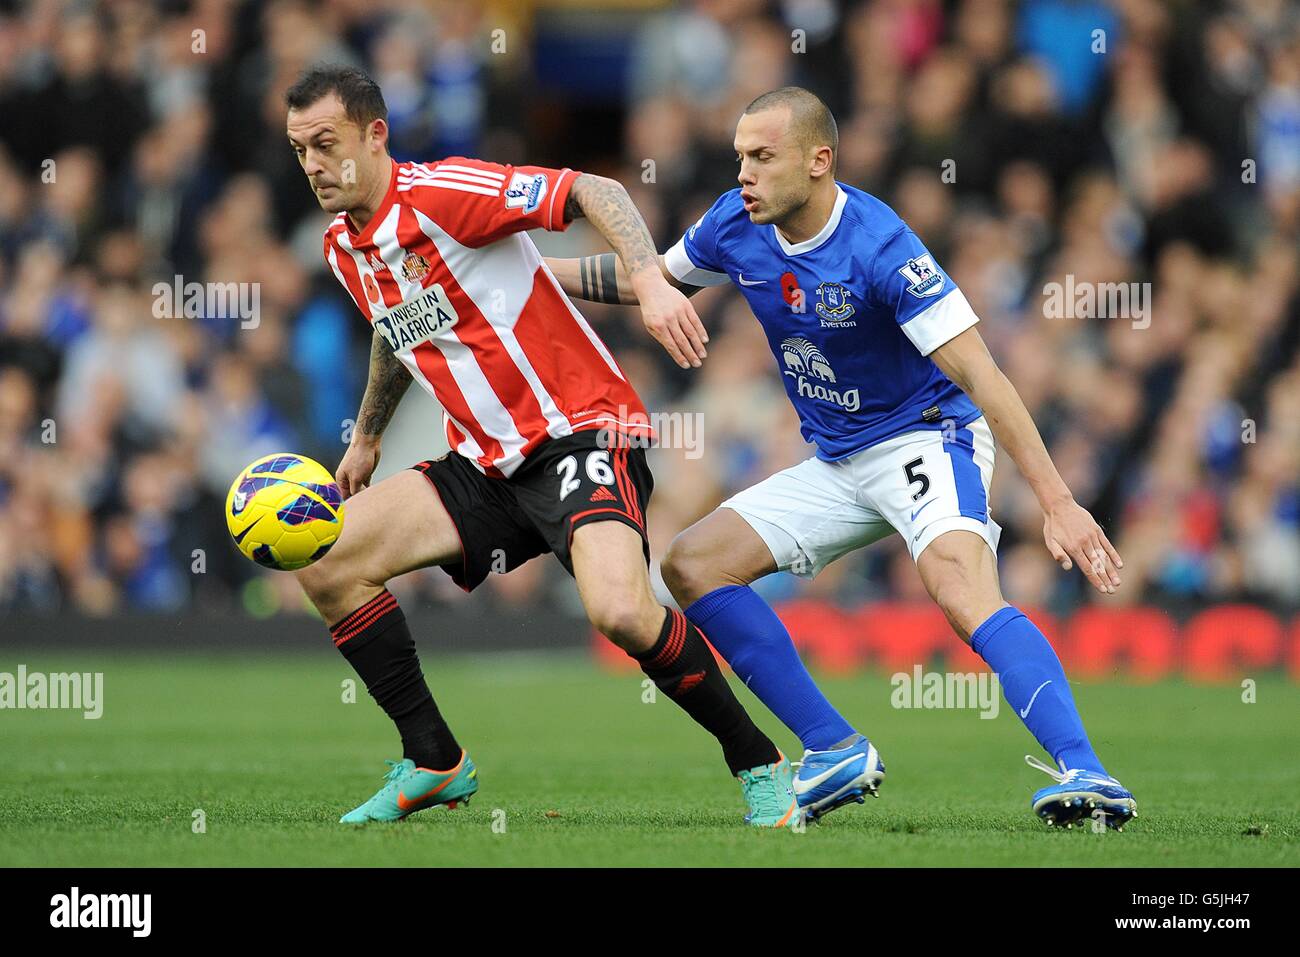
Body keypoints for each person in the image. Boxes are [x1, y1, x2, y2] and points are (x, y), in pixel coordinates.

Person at [546, 87, 1137, 829]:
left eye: (762, 157)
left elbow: (982, 375)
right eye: (739, 157)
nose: (744, 174)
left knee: (959, 587)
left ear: (819, 161)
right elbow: (648, 281)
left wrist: (1056, 500)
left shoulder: (881, 246)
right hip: (838, 457)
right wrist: (535, 270)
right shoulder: (736, 222)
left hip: (926, 434)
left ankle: (1086, 769)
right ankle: (833, 745)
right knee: (692, 562)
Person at [285, 65, 797, 826]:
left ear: (374, 134)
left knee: (621, 610)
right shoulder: (343, 246)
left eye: (326, 144)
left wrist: (652, 281)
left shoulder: (444, 194)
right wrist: (366, 436)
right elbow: (397, 329)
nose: (313, 165)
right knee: (325, 559)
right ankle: (434, 759)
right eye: (299, 150)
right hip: (484, 464)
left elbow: (598, 191)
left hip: (580, 431)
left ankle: (761, 763)